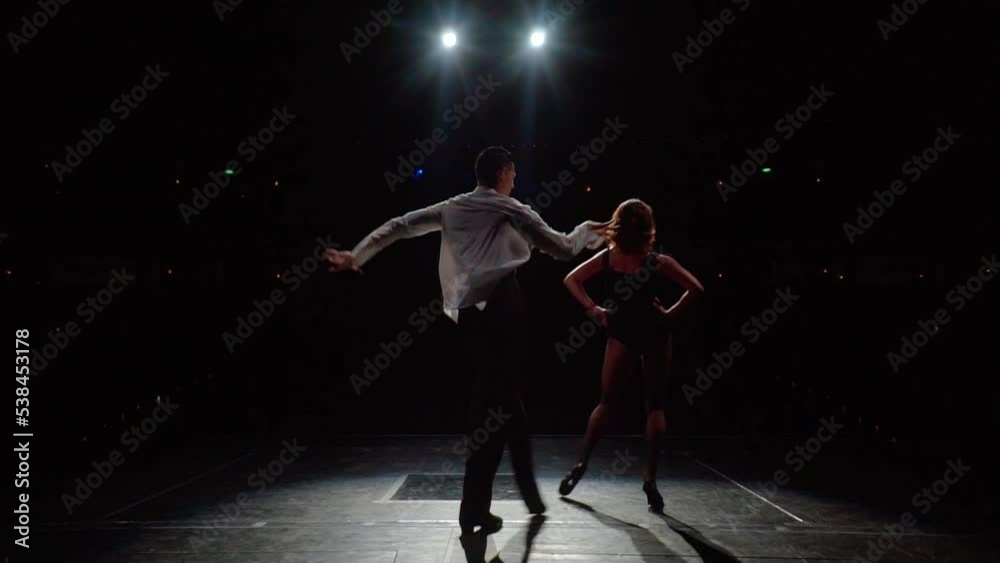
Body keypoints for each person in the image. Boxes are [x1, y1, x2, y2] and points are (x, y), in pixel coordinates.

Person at [325, 146, 608, 535]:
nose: (516, 180)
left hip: (471, 317)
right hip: (505, 309)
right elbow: (561, 247)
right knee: (497, 409)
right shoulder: (511, 208)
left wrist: (356, 255)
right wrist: (591, 231)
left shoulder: (451, 207)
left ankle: (500, 501)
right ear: (504, 172)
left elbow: (397, 225)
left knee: (500, 405)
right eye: (513, 173)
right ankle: (490, 503)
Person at [557, 198, 704, 512]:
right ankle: (650, 479)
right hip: (653, 330)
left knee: (605, 403)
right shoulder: (657, 261)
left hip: (621, 330)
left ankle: (581, 465)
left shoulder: (609, 259)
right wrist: (670, 314)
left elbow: (571, 280)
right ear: (647, 229)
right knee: (655, 408)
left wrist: (594, 309)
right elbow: (696, 288)